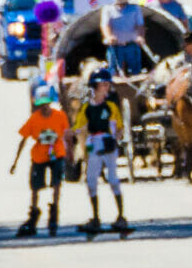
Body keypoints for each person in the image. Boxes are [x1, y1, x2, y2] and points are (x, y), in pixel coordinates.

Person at [66, 68, 129, 233]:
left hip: (108, 143)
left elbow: (120, 127)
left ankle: (121, 217)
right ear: (95, 86)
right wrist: (69, 133)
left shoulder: (111, 106)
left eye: (108, 84)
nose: (107, 86)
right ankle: (95, 218)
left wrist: (115, 139)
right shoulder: (87, 108)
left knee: (113, 179)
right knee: (91, 180)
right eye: (103, 84)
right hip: (94, 143)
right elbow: (79, 126)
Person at [10, 85, 68, 237]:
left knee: (56, 184)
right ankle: (33, 214)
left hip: (57, 154)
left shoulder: (60, 116)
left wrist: (70, 154)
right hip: (39, 156)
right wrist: (15, 161)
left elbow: (67, 134)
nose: (44, 107)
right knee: (35, 187)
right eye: (41, 104)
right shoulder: (34, 119)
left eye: (47, 104)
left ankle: (54, 212)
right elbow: (23, 139)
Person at [101, 0, 146, 76]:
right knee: (113, 72)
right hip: (115, 46)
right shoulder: (108, 9)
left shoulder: (135, 8)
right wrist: (109, 36)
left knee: (135, 72)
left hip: (131, 46)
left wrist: (140, 36)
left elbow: (140, 25)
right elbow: (105, 25)